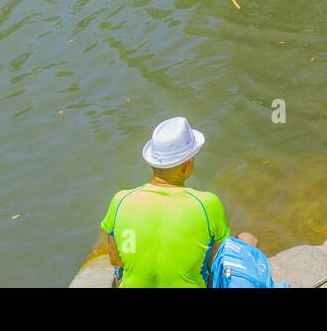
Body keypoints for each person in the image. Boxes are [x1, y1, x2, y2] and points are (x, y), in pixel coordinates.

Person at [100, 116, 258, 288]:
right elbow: (218, 264)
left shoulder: (120, 200)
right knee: (248, 241)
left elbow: (115, 259)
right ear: (187, 164)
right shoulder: (207, 204)